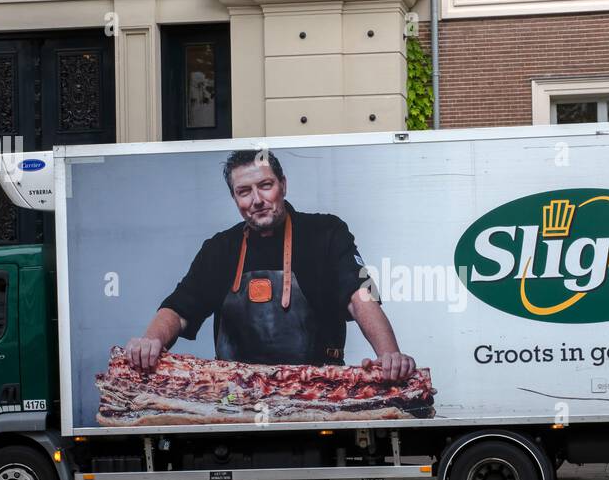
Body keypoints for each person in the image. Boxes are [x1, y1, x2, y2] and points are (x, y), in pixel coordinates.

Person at [126, 149, 415, 380]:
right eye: (244, 191)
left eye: (265, 186)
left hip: (317, 389)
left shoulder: (327, 232)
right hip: (234, 397)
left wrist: (389, 355)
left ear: (283, 185)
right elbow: (179, 309)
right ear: (235, 198)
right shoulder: (219, 248)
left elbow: (359, 296)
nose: (257, 200)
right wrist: (151, 340)